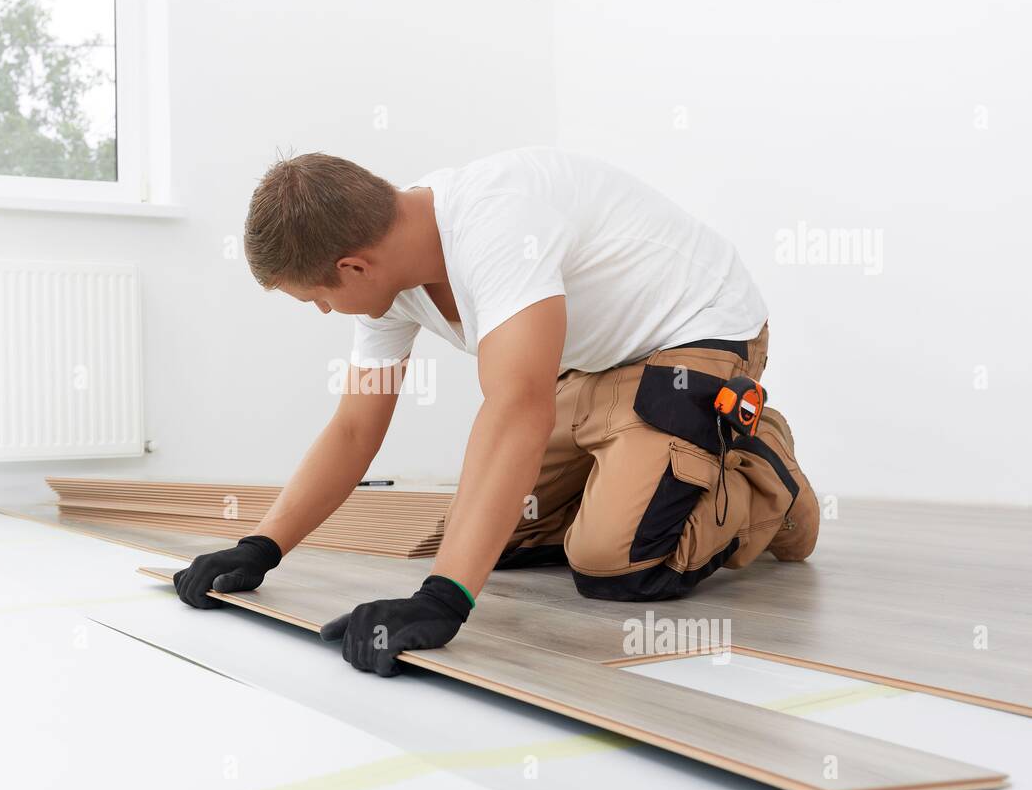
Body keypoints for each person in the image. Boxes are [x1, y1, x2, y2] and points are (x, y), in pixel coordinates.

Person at [171, 147, 817, 676]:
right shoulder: (389, 273)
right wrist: (263, 545)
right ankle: (639, 463)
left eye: (315, 298)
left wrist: (445, 597)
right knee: (497, 533)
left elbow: (517, 410)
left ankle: (760, 466)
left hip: (695, 336)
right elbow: (354, 427)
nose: (321, 311)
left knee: (612, 560)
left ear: (352, 265)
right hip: (600, 368)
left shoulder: (497, 224)